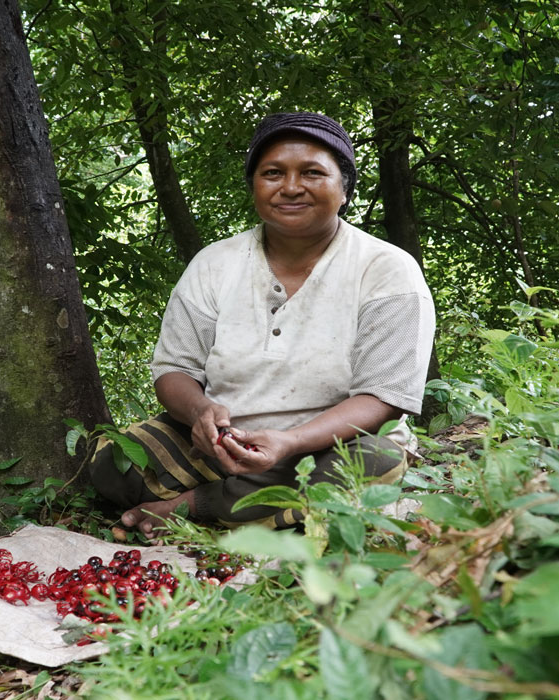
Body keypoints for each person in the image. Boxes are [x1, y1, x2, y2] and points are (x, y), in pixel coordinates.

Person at [88, 112, 435, 538]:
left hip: (331, 444)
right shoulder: (215, 264)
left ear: (344, 189)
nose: (291, 187)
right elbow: (174, 370)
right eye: (273, 173)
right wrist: (200, 413)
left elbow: (383, 399)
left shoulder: (387, 270)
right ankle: (261, 503)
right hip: (223, 445)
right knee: (114, 462)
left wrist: (291, 442)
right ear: (254, 186)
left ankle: (197, 505)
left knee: (375, 460)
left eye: (312, 173)